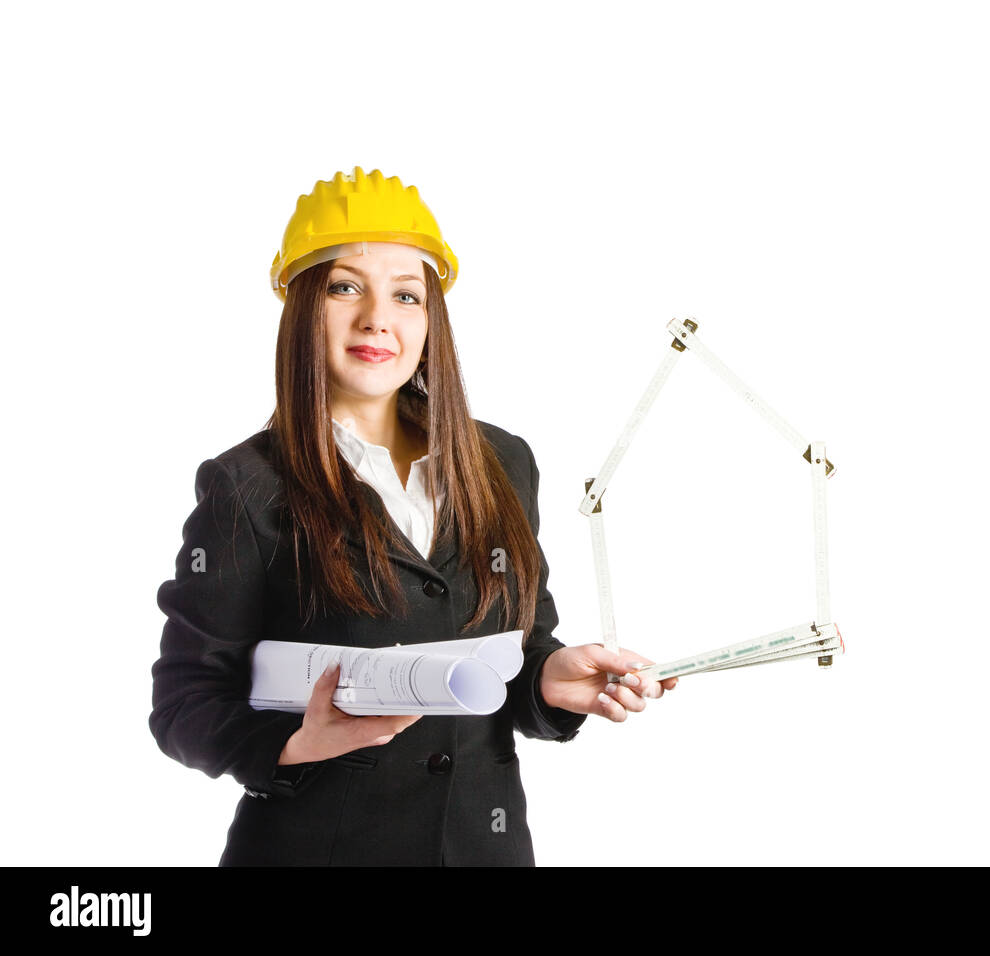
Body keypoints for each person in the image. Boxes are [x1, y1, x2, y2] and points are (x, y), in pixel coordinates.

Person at [149, 166, 677, 866]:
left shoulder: (501, 462)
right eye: (345, 288)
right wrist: (297, 744)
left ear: (432, 322)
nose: (378, 319)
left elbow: (516, 648)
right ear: (303, 307)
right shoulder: (247, 487)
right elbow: (185, 702)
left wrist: (551, 679)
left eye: (407, 295)